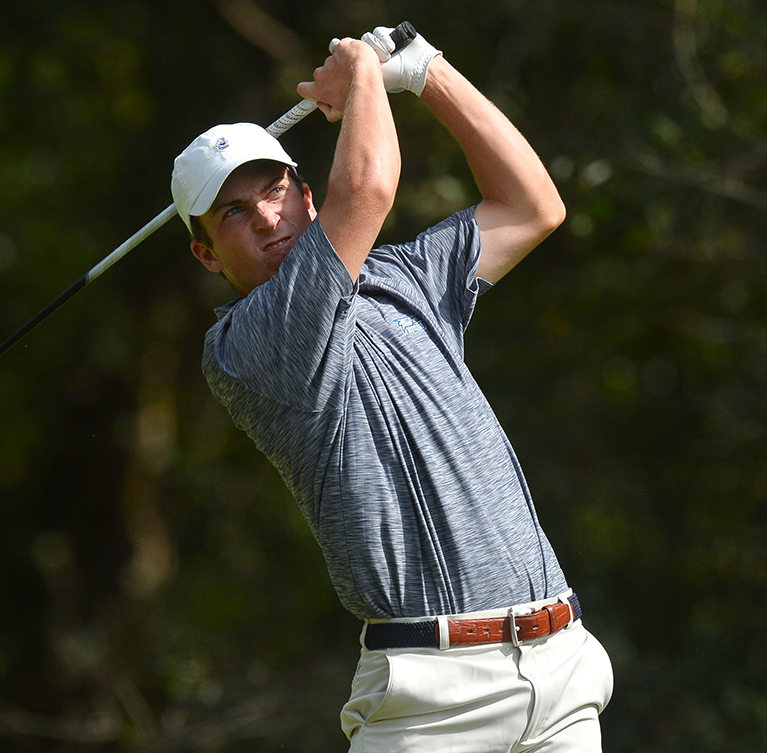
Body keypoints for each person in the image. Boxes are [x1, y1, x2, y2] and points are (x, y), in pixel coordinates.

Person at [170, 24, 613, 752]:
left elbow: (535, 206)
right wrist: (363, 70)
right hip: (430, 697)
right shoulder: (247, 346)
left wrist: (427, 71)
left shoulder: (407, 276)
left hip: (559, 664)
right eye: (233, 214)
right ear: (207, 254)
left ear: (304, 194)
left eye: (275, 190)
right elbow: (368, 187)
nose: (268, 218)